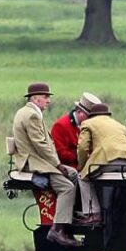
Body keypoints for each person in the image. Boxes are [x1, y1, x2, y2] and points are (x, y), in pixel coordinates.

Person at [12, 82, 79, 246]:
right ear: (35, 98)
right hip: (35, 163)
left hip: (37, 160)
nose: (48, 101)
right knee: (67, 187)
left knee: (74, 174)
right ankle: (57, 230)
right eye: (45, 97)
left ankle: (68, 215)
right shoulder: (31, 116)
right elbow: (40, 145)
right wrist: (58, 165)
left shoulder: (26, 112)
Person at [77, 103, 126, 217]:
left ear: (91, 115)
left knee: (83, 179)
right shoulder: (119, 125)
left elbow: (82, 148)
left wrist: (82, 165)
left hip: (107, 160)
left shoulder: (88, 123)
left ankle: (94, 214)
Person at [50, 91, 101, 221]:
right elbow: (60, 153)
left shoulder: (88, 126)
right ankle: (82, 212)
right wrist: (82, 157)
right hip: (68, 167)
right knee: (83, 177)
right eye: (89, 117)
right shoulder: (61, 125)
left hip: (86, 165)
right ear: (80, 113)